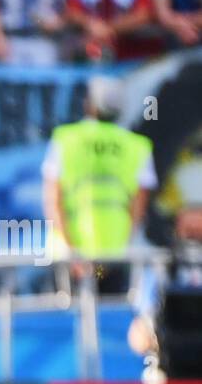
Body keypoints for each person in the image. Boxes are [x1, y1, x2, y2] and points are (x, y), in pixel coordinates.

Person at [42, 75, 157, 295]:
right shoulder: (136, 146)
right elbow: (138, 208)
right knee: (112, 323)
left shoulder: (66, 139)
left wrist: (72, 253)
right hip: (113, 257)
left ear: (89, 105)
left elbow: (53, 200)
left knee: (64, 324)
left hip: (69, 258)